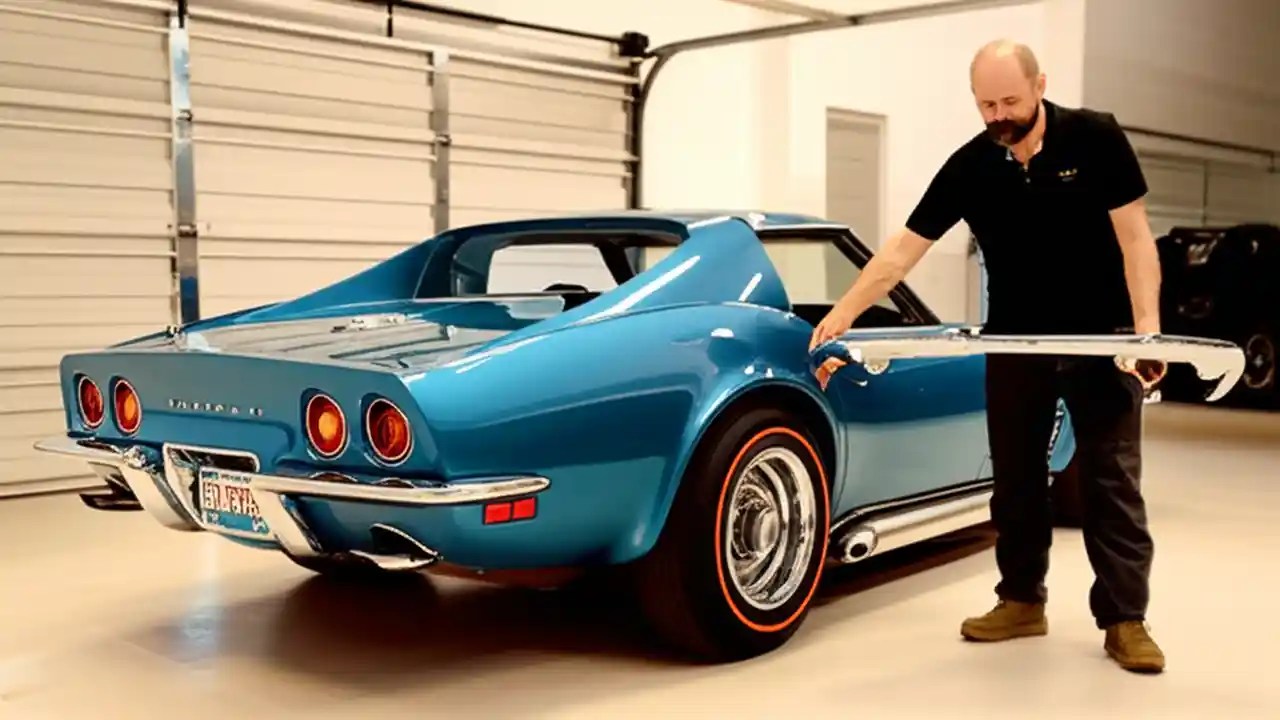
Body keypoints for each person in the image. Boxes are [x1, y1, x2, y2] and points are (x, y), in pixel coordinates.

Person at [809, 39, 1170, 673]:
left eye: (1009, 100)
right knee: (1016, 481)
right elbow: (903, 249)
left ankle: (1125, 619)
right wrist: (843, 314)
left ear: (1039, 86)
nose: (998, 115)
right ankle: (1022, 600)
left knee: (1111, 482)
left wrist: (1146, 332)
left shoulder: (1095, 138)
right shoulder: (974, 164)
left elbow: (1136, 237)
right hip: (1013, 342)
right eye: (985, 104)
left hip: (1100, 342)